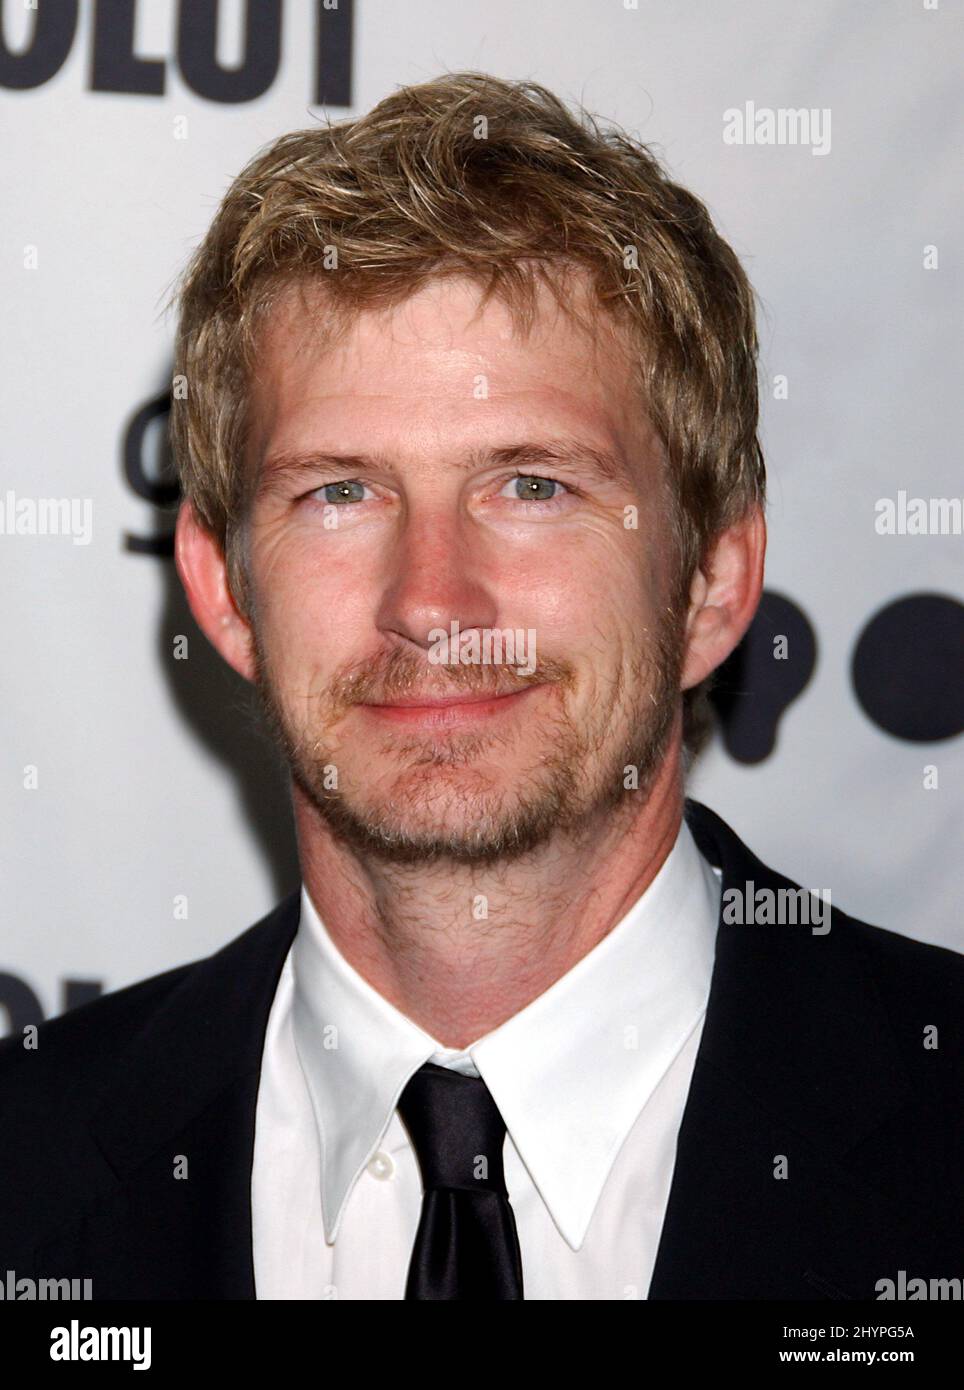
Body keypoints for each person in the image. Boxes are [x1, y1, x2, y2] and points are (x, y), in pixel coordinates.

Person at [1, 71, 960, 1302]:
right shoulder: (24, 1172)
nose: (433, 601)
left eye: (532, 485)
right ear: (225, 591)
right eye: (339, 491)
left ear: (715, 578)